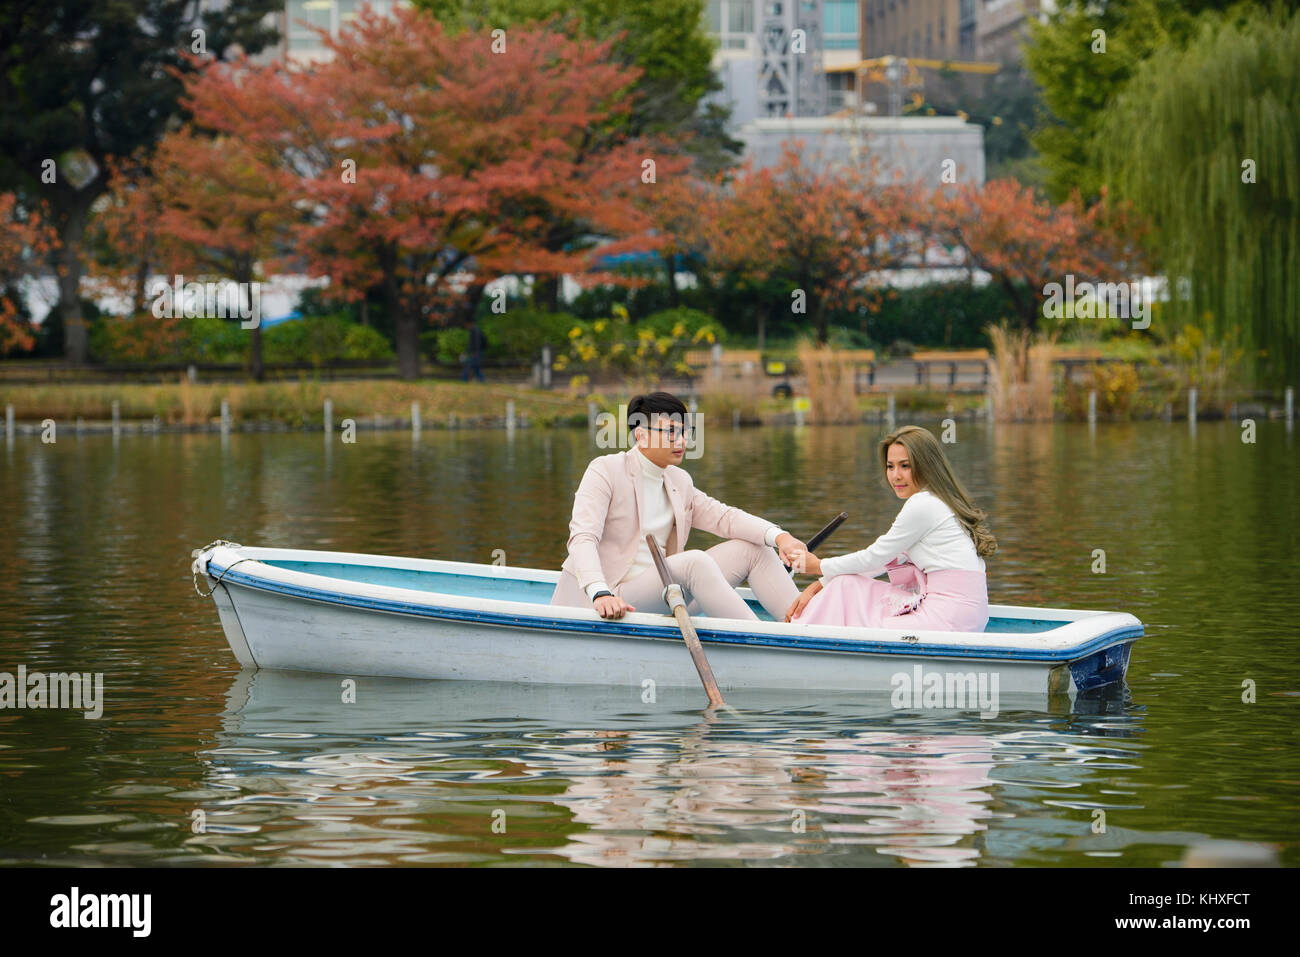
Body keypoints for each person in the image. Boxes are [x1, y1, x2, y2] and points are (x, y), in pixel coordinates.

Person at [551, 391, 805, 621]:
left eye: (685, 432)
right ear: (642, 436)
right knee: (694, 561)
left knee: (755, 548)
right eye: (671, 432)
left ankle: (810, 629)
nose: (682, 440)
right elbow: (583, 538)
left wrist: (780, 537)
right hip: (612, 598)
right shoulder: (605, 470)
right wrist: (599, 592)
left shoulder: (678, 480)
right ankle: (760, 643)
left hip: (662, 594)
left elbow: (725, 517)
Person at [784, 424, 996, 633]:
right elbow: (882, 562)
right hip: (967, 617)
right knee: (845, 584)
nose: (895, 476)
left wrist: (817, 565)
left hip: (947, 618)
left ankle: (800, 637)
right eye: (890, 466)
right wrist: (819, 584)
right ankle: (809, 632)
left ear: (926, 465)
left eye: (905, 466)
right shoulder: (941, 500)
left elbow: (874, 557)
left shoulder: (923, 505)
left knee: (845, 589)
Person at [461, 317, 486, 382]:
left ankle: (464, 379)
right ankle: (481, 379)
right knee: (475, 367)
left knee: (470, 366)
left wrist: (471, 352)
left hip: (476, 352)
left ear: (469, 324)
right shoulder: (475, 330)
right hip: (476, 352)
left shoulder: (475, 331)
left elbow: (475, 343)